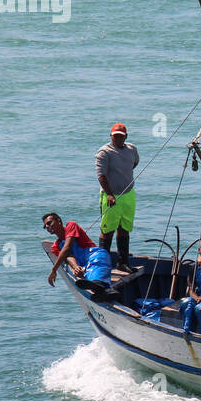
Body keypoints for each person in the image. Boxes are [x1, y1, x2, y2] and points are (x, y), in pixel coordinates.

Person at [95, 122, 139, 273]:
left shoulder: (132, 149)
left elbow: (134, 164)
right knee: (107, 229)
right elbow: (101, 175)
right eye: (115, 137)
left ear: (125, 137)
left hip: (128, 195)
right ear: (111, 136)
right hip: (111, 197)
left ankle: (123, 263)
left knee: (124, 228)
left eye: (121, 136)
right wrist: (109, 194)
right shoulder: (104, 152)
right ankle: (102, 265)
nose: (118, 139)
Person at [43, 212, 112, 288]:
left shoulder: (71, 225)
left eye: (49, 223)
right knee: (86, 275)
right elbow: (68, 256)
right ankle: (101, 289)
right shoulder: (55, 247)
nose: (47, 227)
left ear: (59, 221)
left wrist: (54, 270)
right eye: (45, 226)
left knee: (97, 270)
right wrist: (75, 267)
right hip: (82, 263)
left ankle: (102, 286)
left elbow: (67, 248)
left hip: (94, 256)